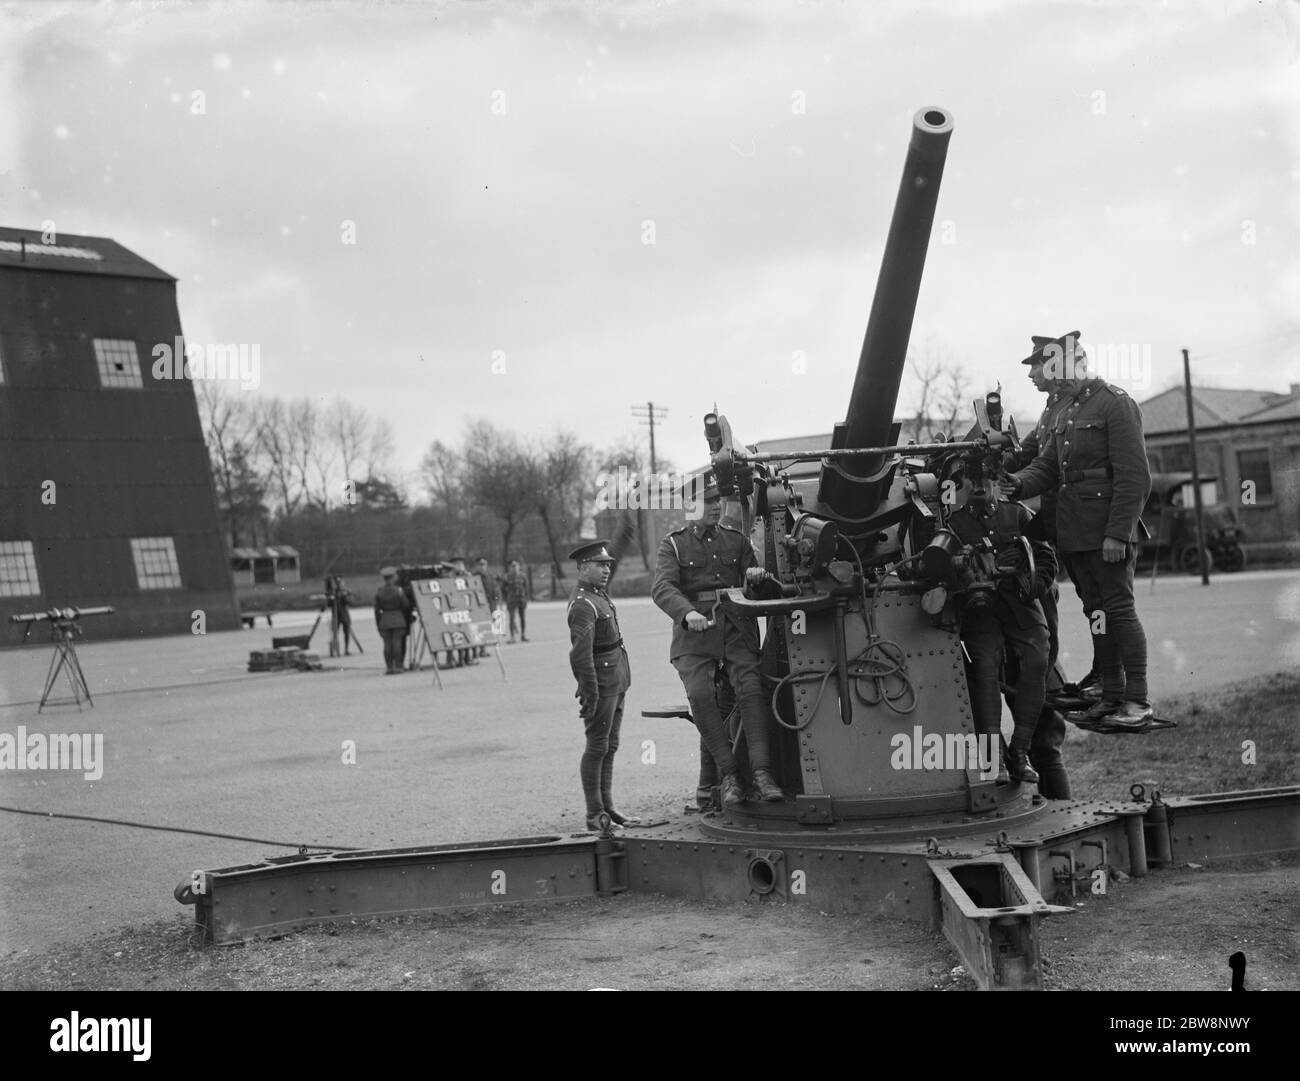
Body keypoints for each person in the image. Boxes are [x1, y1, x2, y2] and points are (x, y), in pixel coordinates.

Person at [999, 331, 1154, 727]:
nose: (1034, 374)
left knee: (1119, 611)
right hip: (1077, 531)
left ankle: (1137, 701)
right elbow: (1047, 465)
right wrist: (1017, 483)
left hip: (1106, 532)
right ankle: (1112, 694)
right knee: (1097, 610)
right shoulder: (1065, 409)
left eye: (1039, 366)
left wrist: (1119, 533)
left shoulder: (1114, 404)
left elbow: (1134, 476)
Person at [652, 471, 784, 808]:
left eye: (716, 501)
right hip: (695, 633)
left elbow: (763, 591)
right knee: (699, 695)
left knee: (751, 690)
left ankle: (762, 773)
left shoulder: (736, 541)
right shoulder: (674, 544)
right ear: (689, 506)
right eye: (707, 502)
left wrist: (756, 578)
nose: (715, 507)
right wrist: (686, 613)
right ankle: (728, 775)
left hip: (736, 626)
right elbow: (663, 587)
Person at [939, 463, 1058, 785]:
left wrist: (1031, 586)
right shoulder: (954, 525)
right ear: (963, 483)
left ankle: (1019, 752)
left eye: (985, 478)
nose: (979, 485)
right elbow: (939, 569)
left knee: (1037, 657)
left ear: (995, 481)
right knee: (984, 668)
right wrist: (961, 568)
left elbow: (1046, 559)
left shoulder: (1017, 515)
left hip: (1020, 604)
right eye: (971, 479)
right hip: (981, 611)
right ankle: (995, 759)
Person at [566, 540, 638, 831]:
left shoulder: (597, 594)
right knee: (597, 746)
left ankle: (608, 807)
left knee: (611, 744)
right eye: (600, 565)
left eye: (608, 564)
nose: (607, 569)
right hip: (602, 681)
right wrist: (590, 692)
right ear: (583, 568)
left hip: (616, 677)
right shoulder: (583, 604)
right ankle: (594, 814)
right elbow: (580, 655)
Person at [374, 566, 413, 675]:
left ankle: (389, 667)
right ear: (393, 577)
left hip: (385, 620)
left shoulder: (379, 591)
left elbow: (377, 609)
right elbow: (405, 605)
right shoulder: (399, 590)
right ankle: (398, 666)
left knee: (387, 645)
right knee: (397, 643)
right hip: (398, 619)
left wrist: (378, 624)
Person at [474, 557, 500, 658]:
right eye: (481, 564)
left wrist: (496, 600)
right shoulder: (474, 576)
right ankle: (479, 649)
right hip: (479, 606)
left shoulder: (490, 576)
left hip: (491, 605)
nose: (483, 566)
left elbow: (495, 589)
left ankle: (483, 649)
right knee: (478, 627)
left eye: (484, 564)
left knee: (487, 626)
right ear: (477, 565)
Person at [502, 559, 530, 643]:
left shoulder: (523, 576)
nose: (514, 568)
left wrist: (526, 599)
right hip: (511, 599)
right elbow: (503, 588)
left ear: (519, 566)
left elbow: (526, 588)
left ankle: (523, 635)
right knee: (511, 618)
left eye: (516, 565)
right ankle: (512, 636)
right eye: (513, 566)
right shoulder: (507, 577)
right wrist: (506, 598)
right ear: (510, 567)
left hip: (521, 599)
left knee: (522, 618)